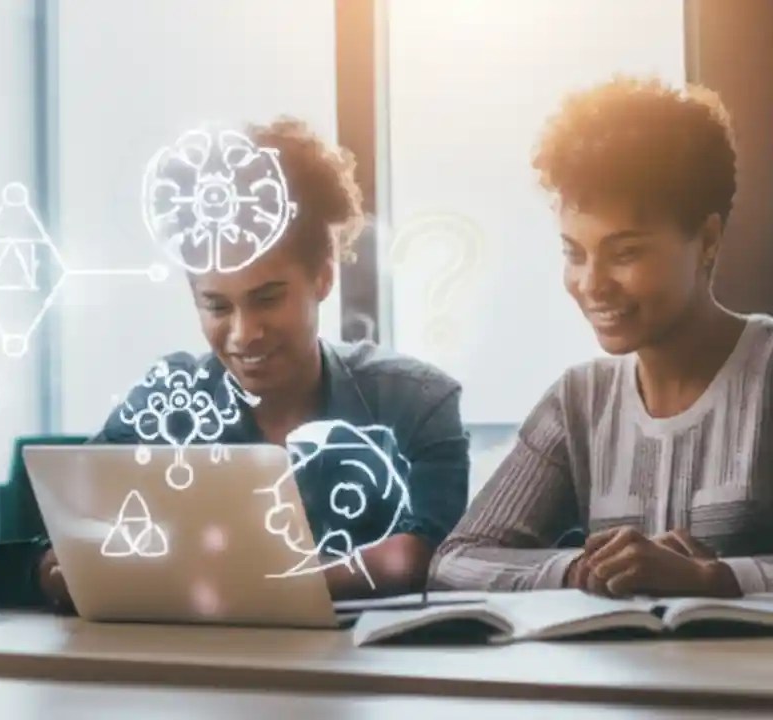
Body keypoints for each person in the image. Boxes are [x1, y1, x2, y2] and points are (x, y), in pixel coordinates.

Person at [429, 76, 773, 611]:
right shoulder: (578, 401)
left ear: (707, 240)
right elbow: (457, 559)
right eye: (574, 253)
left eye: (624, 253)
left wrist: (713, 578)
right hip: (631, 693)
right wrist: (583, 569)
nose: (591, 284)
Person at [38, 118, 471, 606]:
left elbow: (423, 557)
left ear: (323, 277)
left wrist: (220, 584)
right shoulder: (167, 402)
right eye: (217, 306)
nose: (244, 334)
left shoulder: (414, 402)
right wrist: (71, 566)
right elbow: (62, 545)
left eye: (267, 299)